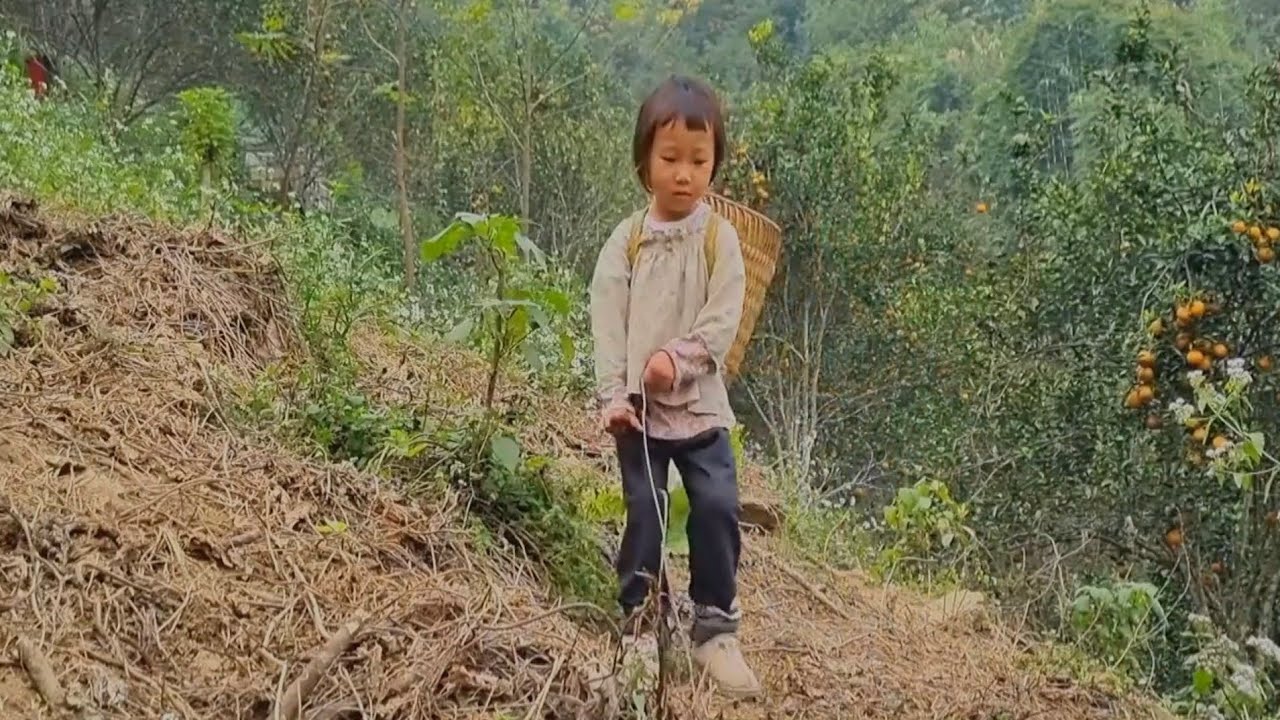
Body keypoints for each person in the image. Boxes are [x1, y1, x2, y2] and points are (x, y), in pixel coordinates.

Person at [589, 74, 760, 699]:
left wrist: (677, 359)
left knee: (716, 509)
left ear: (714, 163)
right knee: (647, 512)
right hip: (638, 413)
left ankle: (715, 629)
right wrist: (616, 391)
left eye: (698, 160)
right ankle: (639, 625)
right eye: (669, 159)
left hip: (701, 408)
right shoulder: (628, 240)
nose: (684, 174)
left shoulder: (720, 239)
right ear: (644, 162)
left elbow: (722, 322)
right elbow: (607, 320)